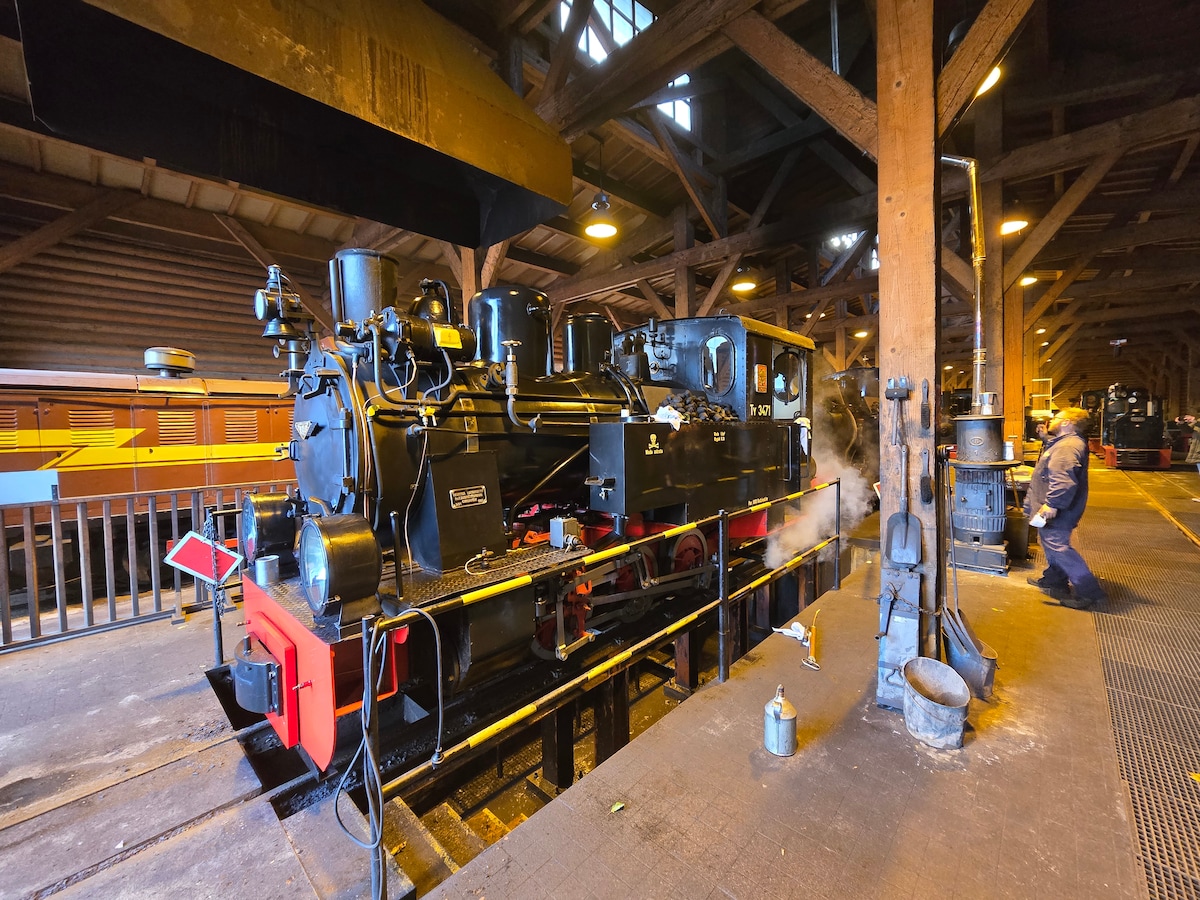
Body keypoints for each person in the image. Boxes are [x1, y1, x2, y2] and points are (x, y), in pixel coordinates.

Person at [1025, 407, 1107, 608]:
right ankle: (1055, 580)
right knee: (1051, 543)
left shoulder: (1067, 447)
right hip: (1058, 505)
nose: (1052, 419)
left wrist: (1052, 504)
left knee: (1058, 547)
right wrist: (1046, 439)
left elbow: (1063, 478)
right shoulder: (1066, 443)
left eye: (1057, 417)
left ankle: (1089, 592)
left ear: (1067, 422)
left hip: (1058, 507)